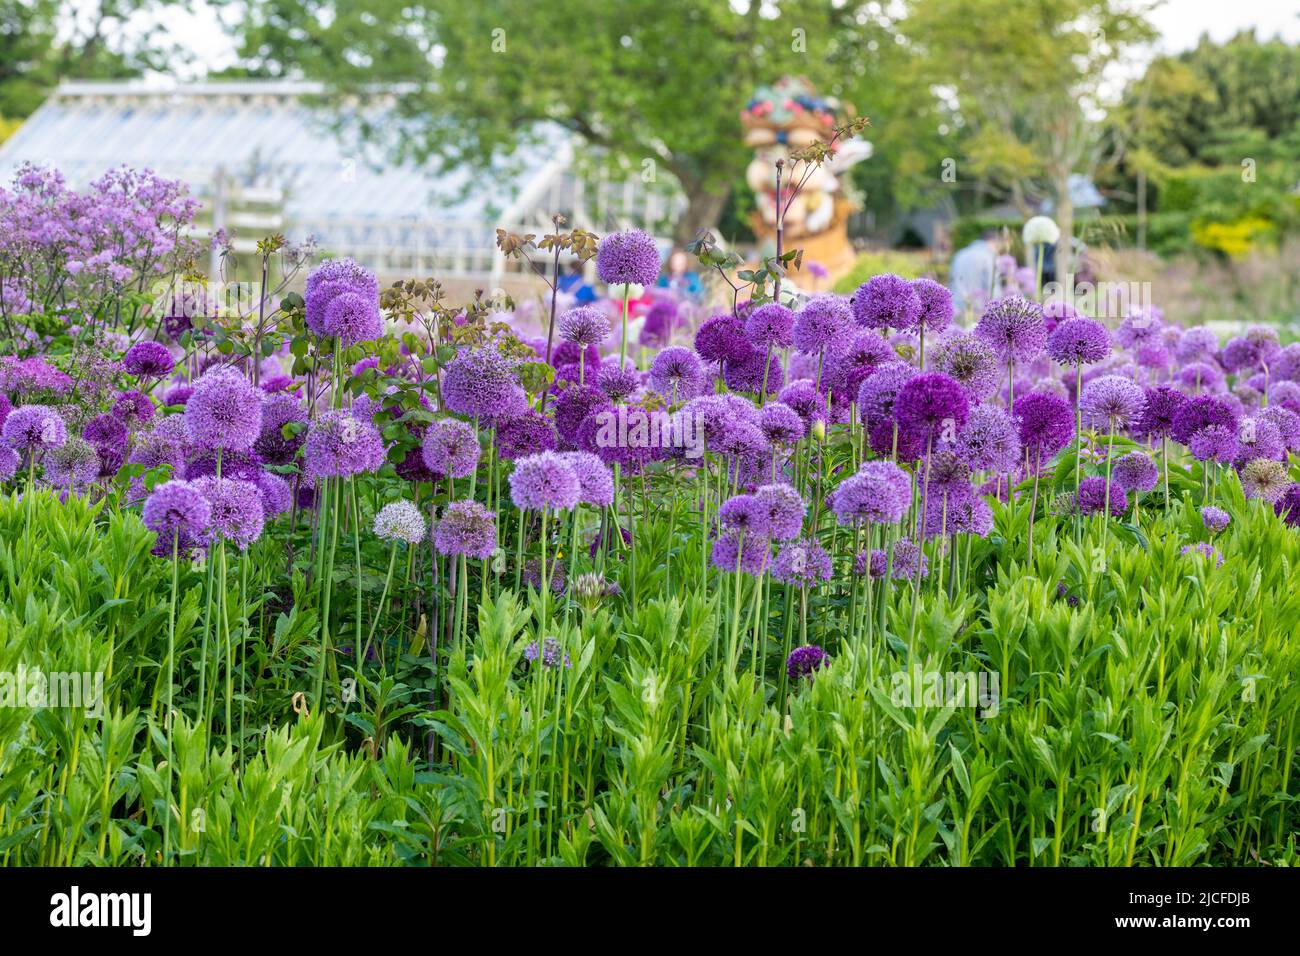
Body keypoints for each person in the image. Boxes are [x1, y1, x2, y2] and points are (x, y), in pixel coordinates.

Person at [949, 229, 1003, 317]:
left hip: (957, 308)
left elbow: (951, 281)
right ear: (994, 242)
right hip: (978, 311)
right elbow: (993, 286)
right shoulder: (990, 257)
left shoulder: (960, 254)